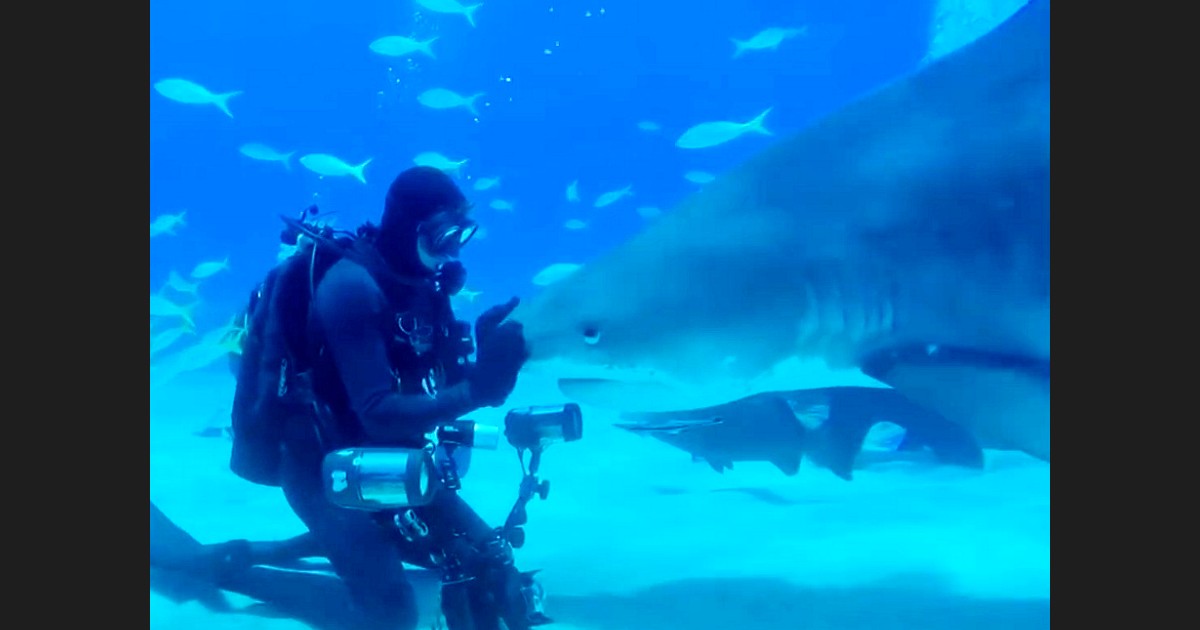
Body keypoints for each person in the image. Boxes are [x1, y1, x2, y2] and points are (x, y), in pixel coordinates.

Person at [277, 166, 530, 629]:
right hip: (325, 471)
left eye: (461, 235)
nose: (451, 250)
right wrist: (478, 388)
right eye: (443, 236)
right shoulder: (352, 290)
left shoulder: (423, 287)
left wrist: (482, 358)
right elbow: (378, 415)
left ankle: (302, 547)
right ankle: (246, 571)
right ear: (409, 227)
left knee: (491, 561)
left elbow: (455, 389)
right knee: (393, 612)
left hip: (397, 465)